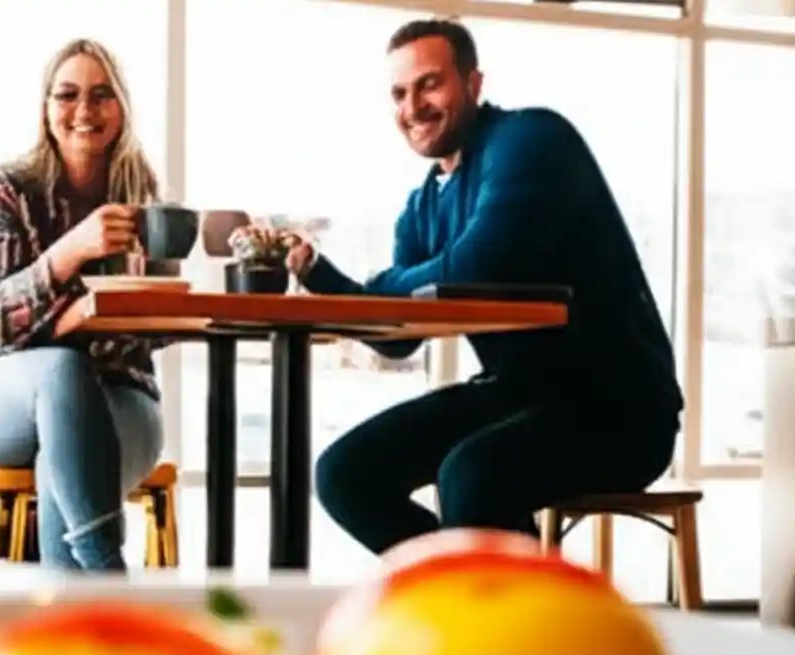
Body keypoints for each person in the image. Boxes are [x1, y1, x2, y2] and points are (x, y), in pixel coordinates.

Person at [287, 18, 684, 553]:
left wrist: (380, 284)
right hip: (515, 395)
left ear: (473, 83)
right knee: (346, 474)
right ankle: (458, 586)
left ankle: (519, 603)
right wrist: (323, 275)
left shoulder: (532, 139)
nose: (413, 107)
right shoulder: (422, 207)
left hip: (621, 406)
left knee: (473, 473)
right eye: (399, 94)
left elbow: (479, 265)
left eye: (430, 84)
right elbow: (400, 335)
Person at [0, 39, 164, 571]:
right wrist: (70, 253)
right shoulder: (8, 190)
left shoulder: (143, 196)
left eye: (101, 95)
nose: (84, 110)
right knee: (62, 373)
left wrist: (62, 318)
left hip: (121, 394)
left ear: (121, 107)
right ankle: (108, 573)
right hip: (3, 396)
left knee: (64, 460)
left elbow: (153, 328)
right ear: (46, 107)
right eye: (67, 95)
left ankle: (77, 609)